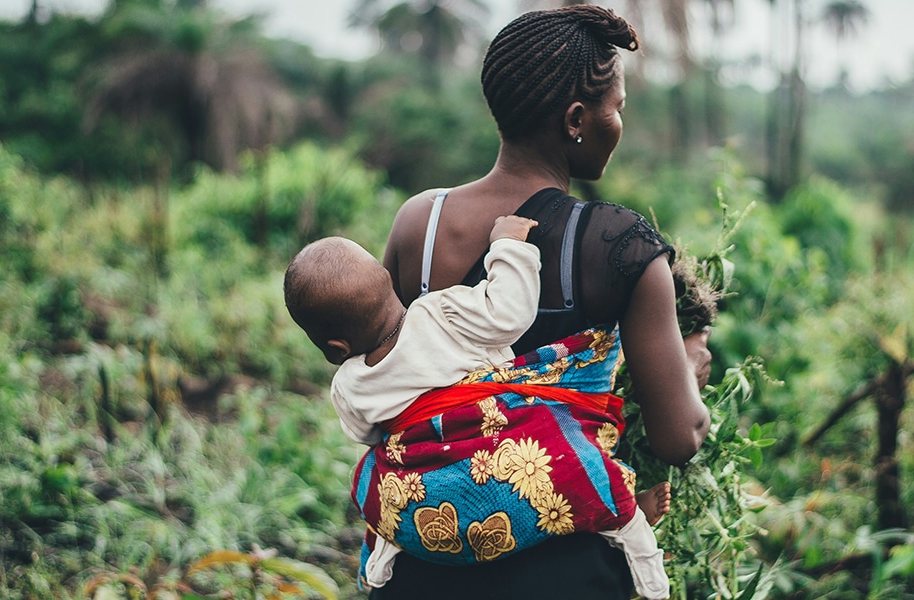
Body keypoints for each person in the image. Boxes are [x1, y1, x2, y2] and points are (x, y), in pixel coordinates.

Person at [363, 5, 712, 600]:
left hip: (424, 560)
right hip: (569, 571)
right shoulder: (622, 247)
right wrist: (691, 366)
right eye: (617, 108)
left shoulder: (418, 224)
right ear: (577, 118)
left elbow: (386, 384)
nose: (618, 124)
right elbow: (678, 438)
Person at [282, 216, 675, 596]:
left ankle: (385, 552)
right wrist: (508, 245)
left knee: (375, 481)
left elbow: (369, 435)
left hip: (430, 490)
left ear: (335, 348)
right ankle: (634, 539)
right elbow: (509, 313)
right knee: (576, 464)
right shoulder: (440, 312)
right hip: (500, 449)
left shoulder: (349, 384)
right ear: (388, 282)